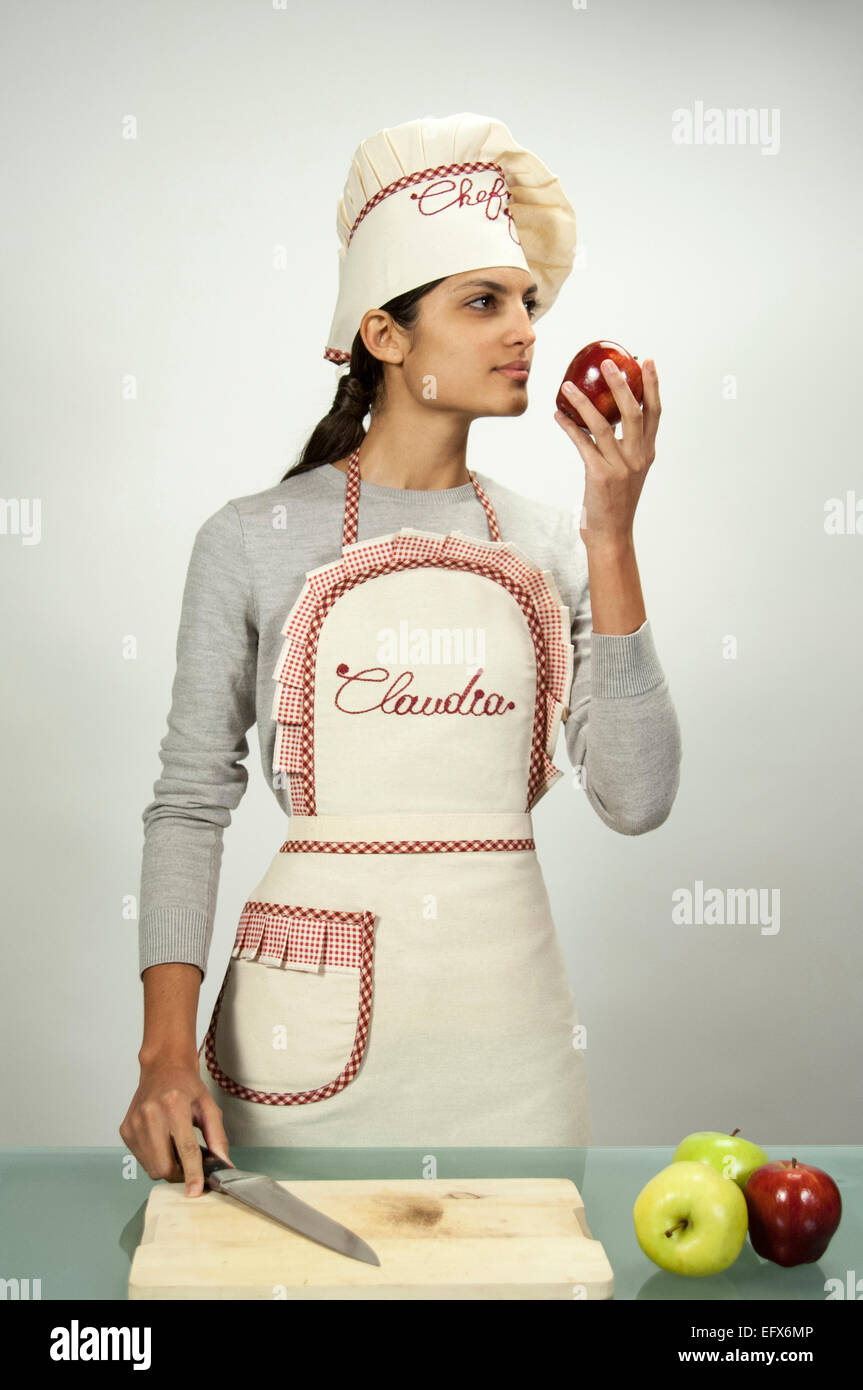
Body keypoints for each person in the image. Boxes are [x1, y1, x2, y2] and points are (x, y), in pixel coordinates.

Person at [120, 112, 682, 1197]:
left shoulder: (553, 542)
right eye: (483, 301)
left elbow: (636, 795)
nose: (524, 327)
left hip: (509, 1041)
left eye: (526, 300)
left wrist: (610, 532)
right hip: (302, 1034)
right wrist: (163, 1051)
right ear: (385, 336)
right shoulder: (249, 539)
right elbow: (189, 801)